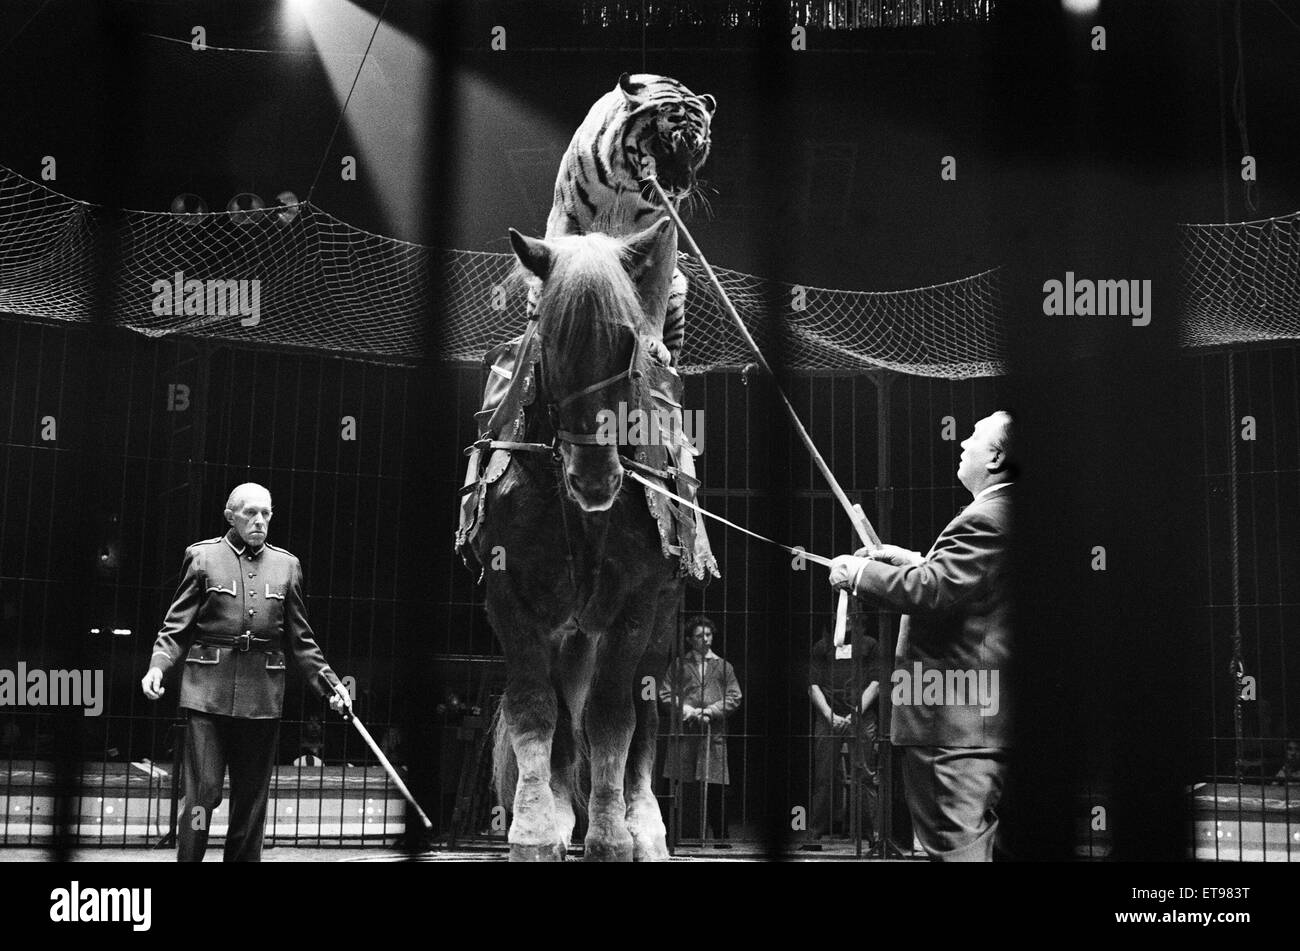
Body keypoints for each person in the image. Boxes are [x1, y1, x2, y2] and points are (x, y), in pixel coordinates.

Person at [829, 411, 1015, 862]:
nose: (962, 443)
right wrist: (911, 559)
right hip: (989, 717)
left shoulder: (987, 516)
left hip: (954, 722)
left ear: (995, 456)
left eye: (973, 436)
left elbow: (934, 591)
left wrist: (860, 574)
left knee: (957, 847)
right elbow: (971, 587)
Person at [141, 482, 350, 861]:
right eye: (250, 512)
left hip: (262, 694)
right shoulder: (203, 558)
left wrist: (331, 686)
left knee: (251, 799)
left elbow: (302, 640)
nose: (259, 520)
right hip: (206, 691)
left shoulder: (287, 566)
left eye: (265, 513)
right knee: (203, 794)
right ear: (230, 516)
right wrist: (158, 666)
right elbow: (177, 627)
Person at [659, 615, 742, 842]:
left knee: (715, 785)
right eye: (699, 636)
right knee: (676, 783)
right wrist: (685, 709)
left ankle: (720, 836)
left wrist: (711, 711)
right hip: (685, 732)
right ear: (689, 639)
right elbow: (665, 693)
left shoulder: (724, 666)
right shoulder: (678, 665)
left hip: (712, 732)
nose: (705, 639)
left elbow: (735, 696)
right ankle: (669, 835)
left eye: (708, 635)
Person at [806, 612, 881, 848]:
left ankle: (873, 835)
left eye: (850, 614)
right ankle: (815, 833)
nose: (847, 618)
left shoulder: (870, 645)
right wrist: (830, 715)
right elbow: (813, 685)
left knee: (866, 776)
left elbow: (876, 683)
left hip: (862, 715)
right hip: (829, 716)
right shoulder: (823, 647)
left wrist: (855, 713)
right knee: (824, 775)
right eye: (842, 614)